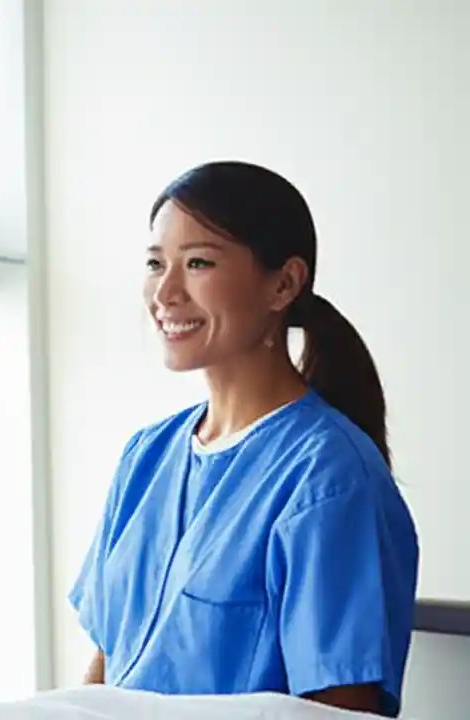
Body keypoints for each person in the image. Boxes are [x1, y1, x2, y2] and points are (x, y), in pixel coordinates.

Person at [68, 161, 419, 717]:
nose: (165, 291)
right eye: (156, 263)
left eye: (198, 262)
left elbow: (340, 710)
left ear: (283, 283)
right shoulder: (146, 457)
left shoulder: (328, 477)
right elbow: (107, 666)